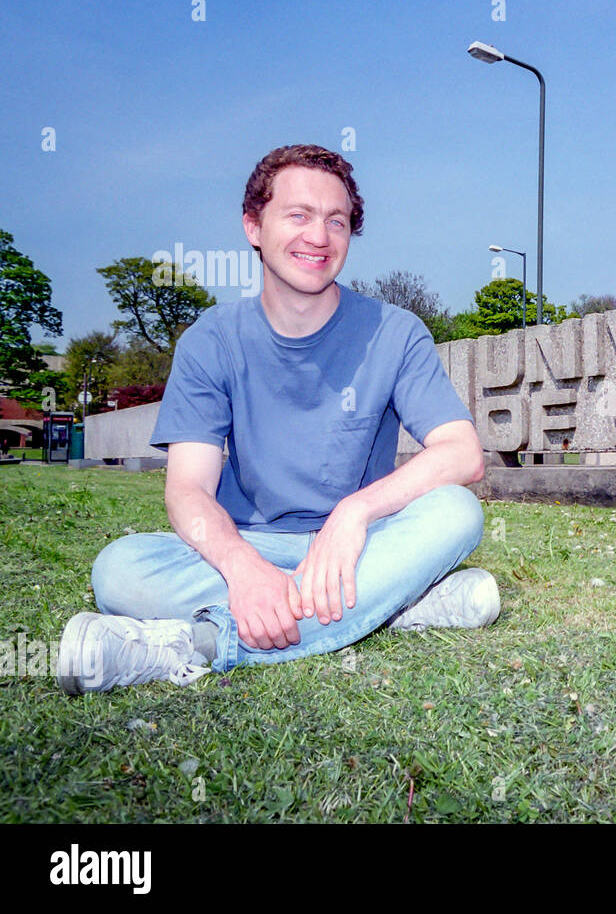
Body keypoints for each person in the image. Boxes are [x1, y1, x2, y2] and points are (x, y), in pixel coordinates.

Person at [57, 144, 498, 695]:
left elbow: (461, 452)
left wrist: (353, 514)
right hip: (251, 543)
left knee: (456, 511)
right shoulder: (209, 341)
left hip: (360, 547)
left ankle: (194, 645)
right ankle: (391, 606)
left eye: (336, 220)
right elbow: (188, 490)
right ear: (253, 227)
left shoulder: (396, 332)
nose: (319, 236)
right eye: (298, 215)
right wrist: (242, 568)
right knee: (118, 569)